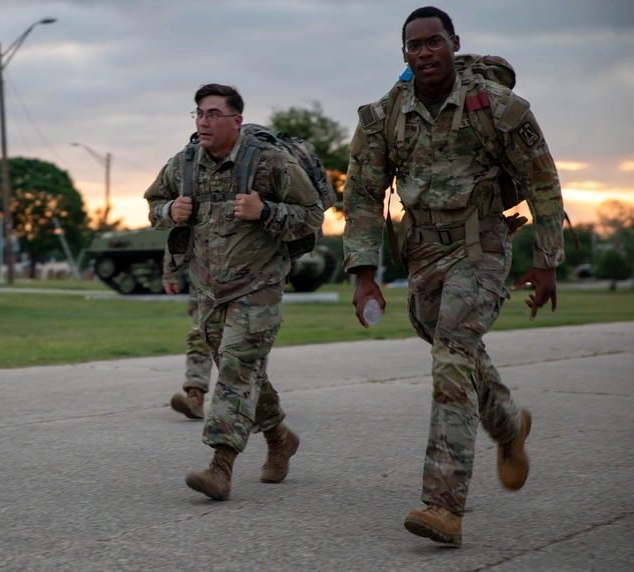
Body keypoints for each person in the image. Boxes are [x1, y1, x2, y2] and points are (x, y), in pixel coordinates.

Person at [342, 6, 565, 545]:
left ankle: (443, 505)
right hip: (421, 252)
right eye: (413, 46)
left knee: (450, 357)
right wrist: (363, 273)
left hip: (482, 243)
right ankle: (509, 424)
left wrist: (546, 260)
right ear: (403, 54)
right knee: (449, 345)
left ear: (453, 43)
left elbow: (544, 180)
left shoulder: (499, 107)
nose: (423, 52)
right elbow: (363, 194)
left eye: (433, 42)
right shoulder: (384, 116)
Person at [145, 84, 324, 500]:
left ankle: (220, 466)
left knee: (237, 369)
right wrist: (168, 212)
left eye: (212, 114)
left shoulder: (269, 163)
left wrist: (266, 211)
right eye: (198, 114)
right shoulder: (185, 164)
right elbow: (153, 205)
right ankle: (280, 437)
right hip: (209, 291)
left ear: (236, 121)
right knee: (244, 371)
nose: (203, 122)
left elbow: (313, 215)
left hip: (259, 285)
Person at [163, 246, 213, 420]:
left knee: (246, 344)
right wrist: (171, 273)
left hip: (248, 281)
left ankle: (260, 402)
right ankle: (195, 397)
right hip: (207, 281)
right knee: (199, 336)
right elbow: (180, 233)